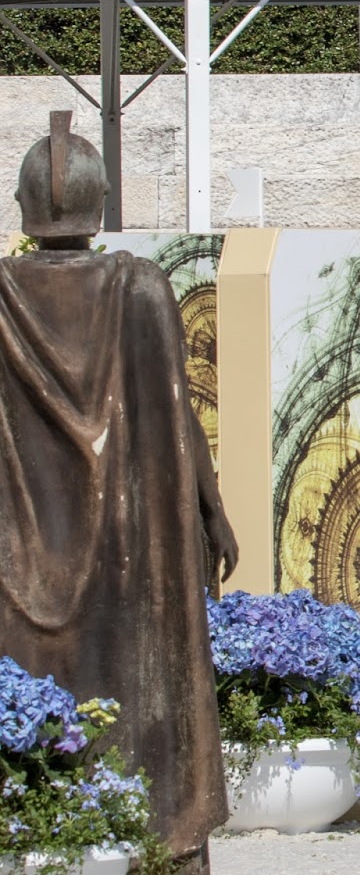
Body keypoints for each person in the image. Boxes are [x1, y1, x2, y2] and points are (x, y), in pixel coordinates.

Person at [0, 113, 238, 872]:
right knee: (141, 688)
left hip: (19, 550)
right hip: (131, 549)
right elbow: (177, 415)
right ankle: (157, 838)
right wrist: (211, 508)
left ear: (24, 207)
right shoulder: (140, 286)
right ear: (98, 205)